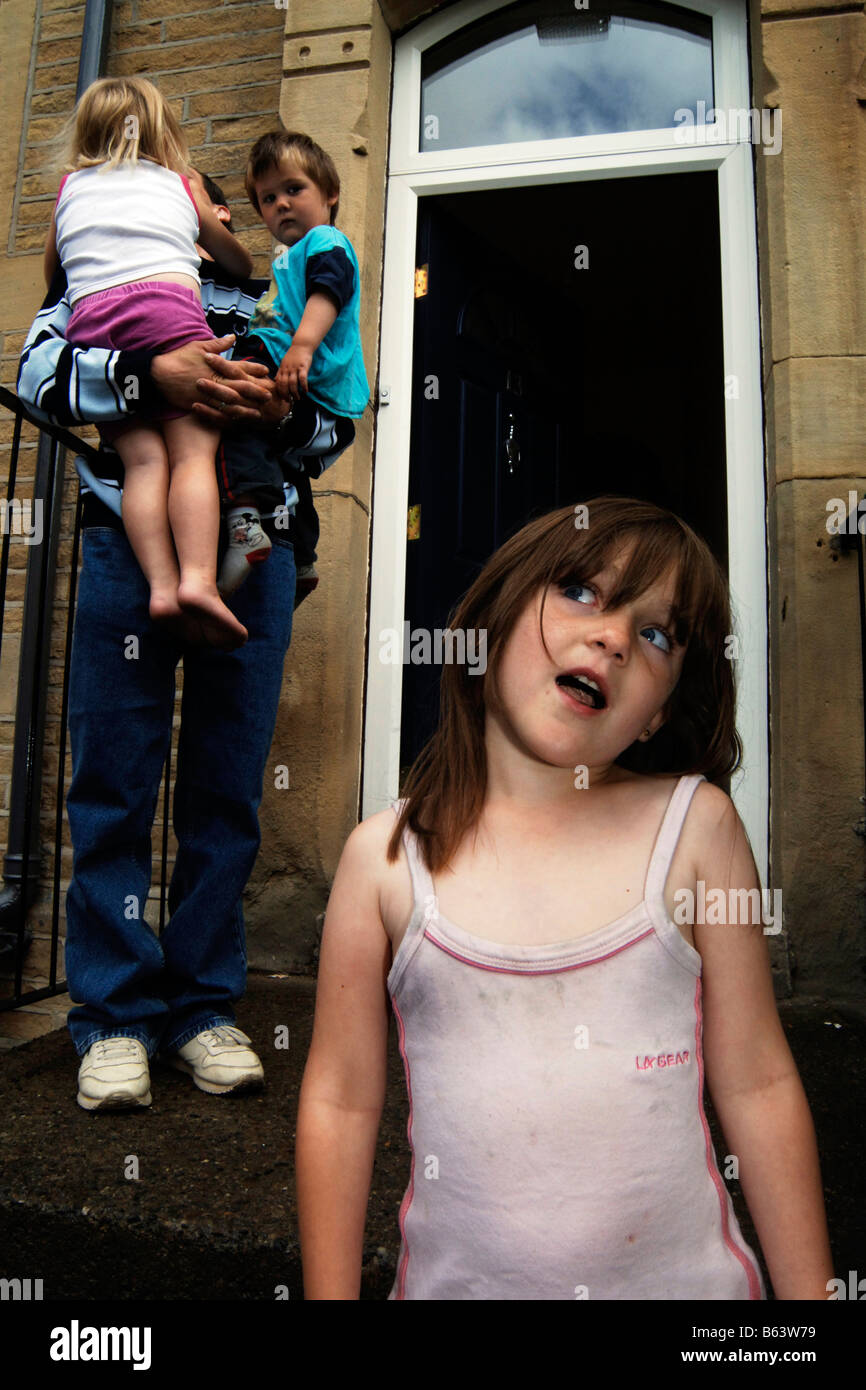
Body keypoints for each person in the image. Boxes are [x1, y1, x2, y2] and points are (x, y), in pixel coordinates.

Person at [295, 497, 833, 1300]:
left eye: (657, 635)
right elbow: (339, 1103)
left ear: (656, 715)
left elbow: (759, 1083)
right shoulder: (383, 859)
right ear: (497, 618)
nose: (614, 637)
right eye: (582, 591)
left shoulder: (696, 830)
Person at [17, 170, 310, 1111]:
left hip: (257, 551)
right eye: (207, 208)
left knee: (226, 785)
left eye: (220, 212)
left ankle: (200, 1010)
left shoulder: (272, 295)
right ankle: (111, 1018)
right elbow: (34, 376)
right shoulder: (96, 286)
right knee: (113, 779)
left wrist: (282, 409)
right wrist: (153, 374)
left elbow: (335, 409)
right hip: (122, 551)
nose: (221, 220)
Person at [44, 76, 255, 649]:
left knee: (142, 464)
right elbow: (237, 260)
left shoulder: (69, 188)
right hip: (165, 309)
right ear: (163, 129)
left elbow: (54, 275)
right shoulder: (181, 182)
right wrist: (211, 236)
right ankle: (197, 581)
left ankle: (160, 586)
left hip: (93, 329)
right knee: (194, 453)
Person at [215, 130, 368, 595]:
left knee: (233, 415)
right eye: (267, 198)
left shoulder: (325, 240)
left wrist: (301, 347)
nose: (281, 203)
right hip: (301, 371)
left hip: (299, 362)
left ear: (331, 194)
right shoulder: (287, 255)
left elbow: (329, 292)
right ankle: (302, 557)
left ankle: (244, 524)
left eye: (294, 189)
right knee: (289, 467)